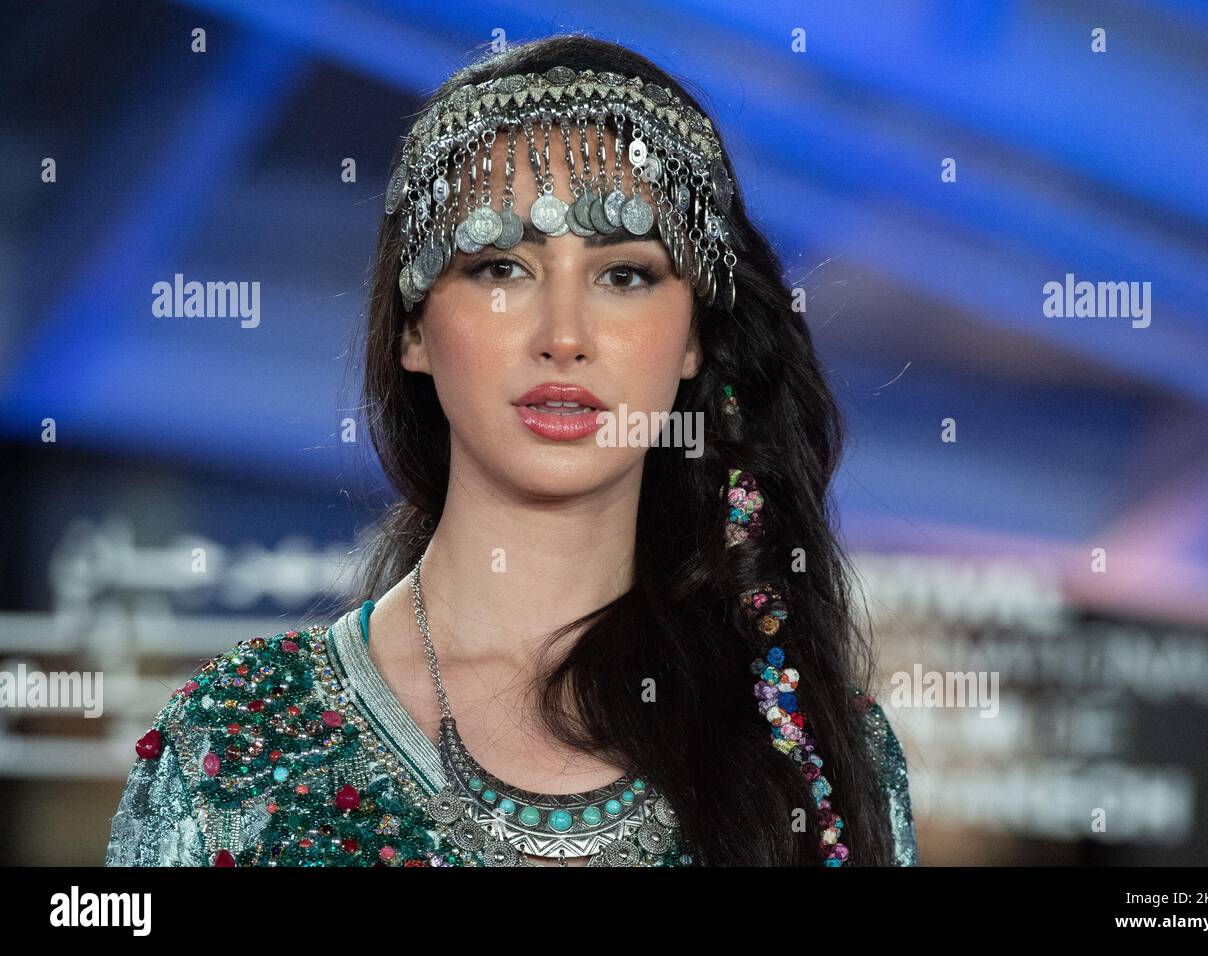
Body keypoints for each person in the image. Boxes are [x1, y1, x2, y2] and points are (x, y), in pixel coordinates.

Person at [105, 33, 918, 868]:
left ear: (693, 341)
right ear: (415, 328)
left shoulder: (809, 755)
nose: (563, 338)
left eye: (625, 275)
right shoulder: (239, 747)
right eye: (501, 269)